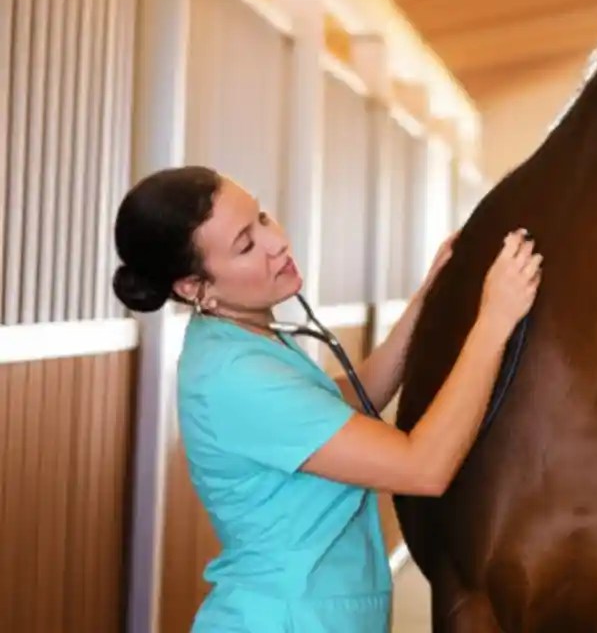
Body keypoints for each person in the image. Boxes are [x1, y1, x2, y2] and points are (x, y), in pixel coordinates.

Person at [111, 165, 541, 632]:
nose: (276, 242)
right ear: (196, 288)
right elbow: (423, 468)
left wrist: (426, 299)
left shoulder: (239, 337)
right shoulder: (235, 376)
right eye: (245, 245)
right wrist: (495, 321)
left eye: (262, 218)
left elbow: (342, 408)